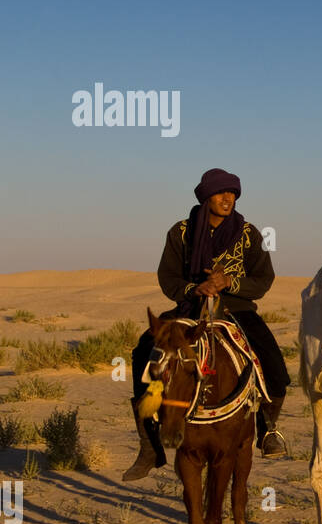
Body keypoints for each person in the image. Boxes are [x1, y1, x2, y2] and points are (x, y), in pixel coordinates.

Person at [122, 168, 290, 482]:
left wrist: (230, 281)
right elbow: (168, 277)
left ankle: (269, 429)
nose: (228, 199)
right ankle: (149, 443)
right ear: (205, 196)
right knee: (144, 350)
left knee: (273, 362)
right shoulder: (181, 232)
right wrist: (193, 289)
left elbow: (263, 279)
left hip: (236, 309)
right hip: (189, 307)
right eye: (220, 193)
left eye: (233, 194)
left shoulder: (249, 234)